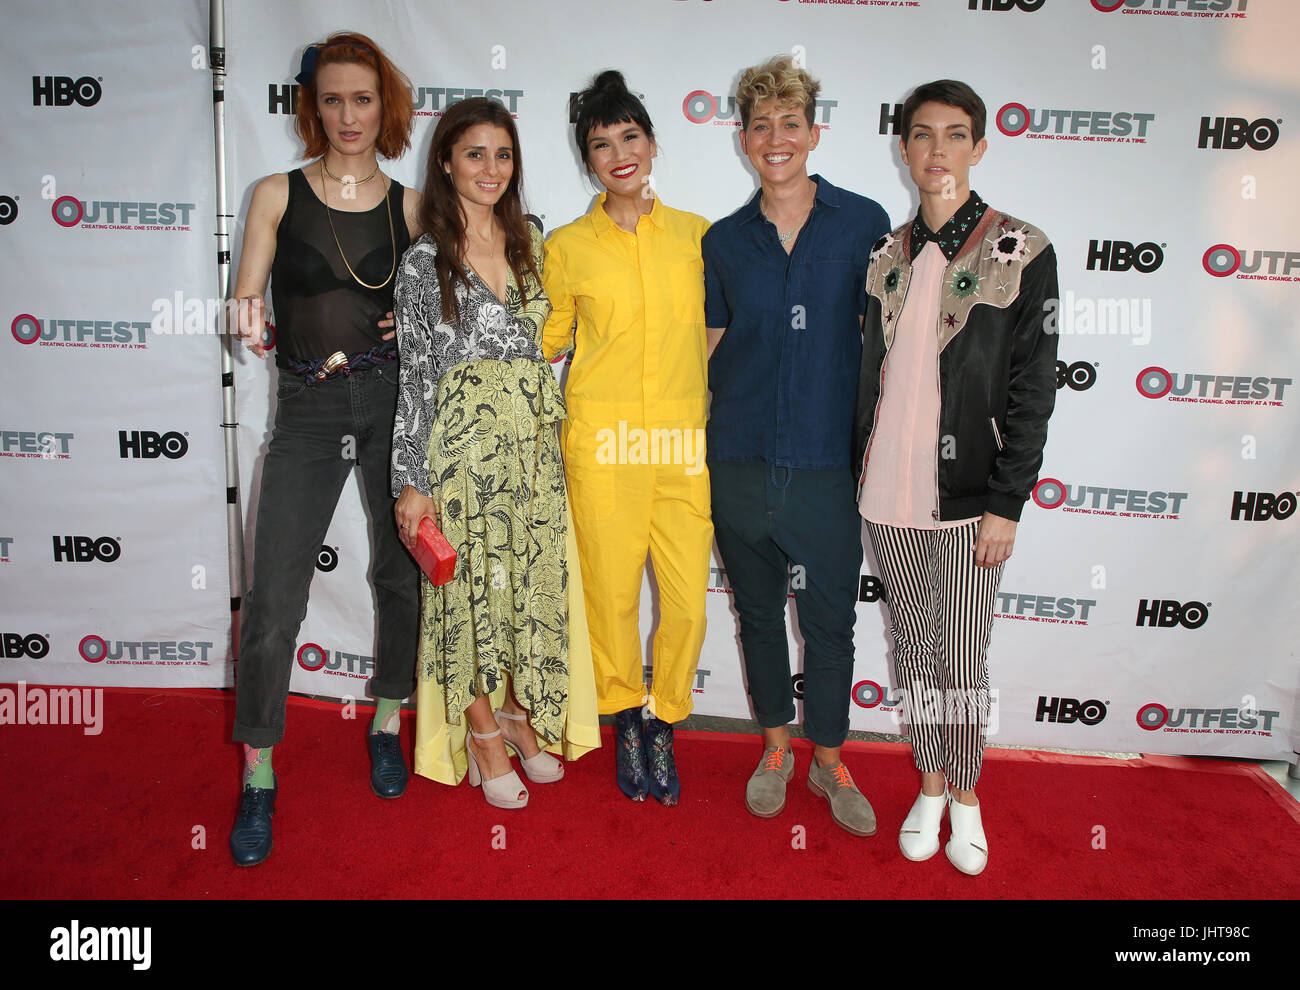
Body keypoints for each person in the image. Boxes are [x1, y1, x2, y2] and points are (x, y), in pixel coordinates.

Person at [854, 80, 1058, 875]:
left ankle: (967, 794)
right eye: (922, 135)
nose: (936, 150)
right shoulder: (885, 254)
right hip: (883, 495)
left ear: (979, 147)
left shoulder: (1022, 248)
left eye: (954, 134)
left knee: (961, 657)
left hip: (970, 499)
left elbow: (1033, 387)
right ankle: (930, 784)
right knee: (912, 649)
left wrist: (1008, 501)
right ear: (903, 147)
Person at [228, 32, 422, 867]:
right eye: (334, 99)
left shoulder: (414, 206)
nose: (349, 115)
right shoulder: (275, 192)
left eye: (363, 98)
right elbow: (247, 286)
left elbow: (445, 312)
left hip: (390, 404)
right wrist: (244, 307)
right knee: (272, 599)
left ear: (387, 106)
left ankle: (387, 718)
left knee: (400, 574)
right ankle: (260, 772)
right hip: (307, 407)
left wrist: (414, 323)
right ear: (315, 106)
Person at [391, 97, 599, 810]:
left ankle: (515, 712)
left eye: (502, 154)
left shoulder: (530, 242)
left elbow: (558, 335)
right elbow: (415, 379)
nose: (490, 168)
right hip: (460, 455)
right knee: (466, 597)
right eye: (474, 153)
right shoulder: (424, 262)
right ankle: (481, 733)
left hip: (533, 449)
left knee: (523, 589)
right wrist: (410, 482)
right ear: (445, 160)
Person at [704, 55, 890, 836]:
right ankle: (775, 748)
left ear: (813, 133)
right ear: (743, 138)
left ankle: (828, 757)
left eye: (790, 123)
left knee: (830, 626)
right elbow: (708, 351)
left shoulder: (863, 223)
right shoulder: (722, 242)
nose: (775, 138)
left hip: (824, 465)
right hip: (739, 459)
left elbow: (883, 345)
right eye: (760, 125)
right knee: (753, 614)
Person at [541, 71, 713, 806]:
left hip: (679, 445)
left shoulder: (699, 236)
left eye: (630, 137)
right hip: (602, 447)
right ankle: (625, 722)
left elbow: (724, 327)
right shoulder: (567, 246)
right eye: (601, 144)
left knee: (687, 605)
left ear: (651, 143)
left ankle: (665, 716)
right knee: (610, 599)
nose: (618, 154)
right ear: (587, 160)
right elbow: (544, 341)